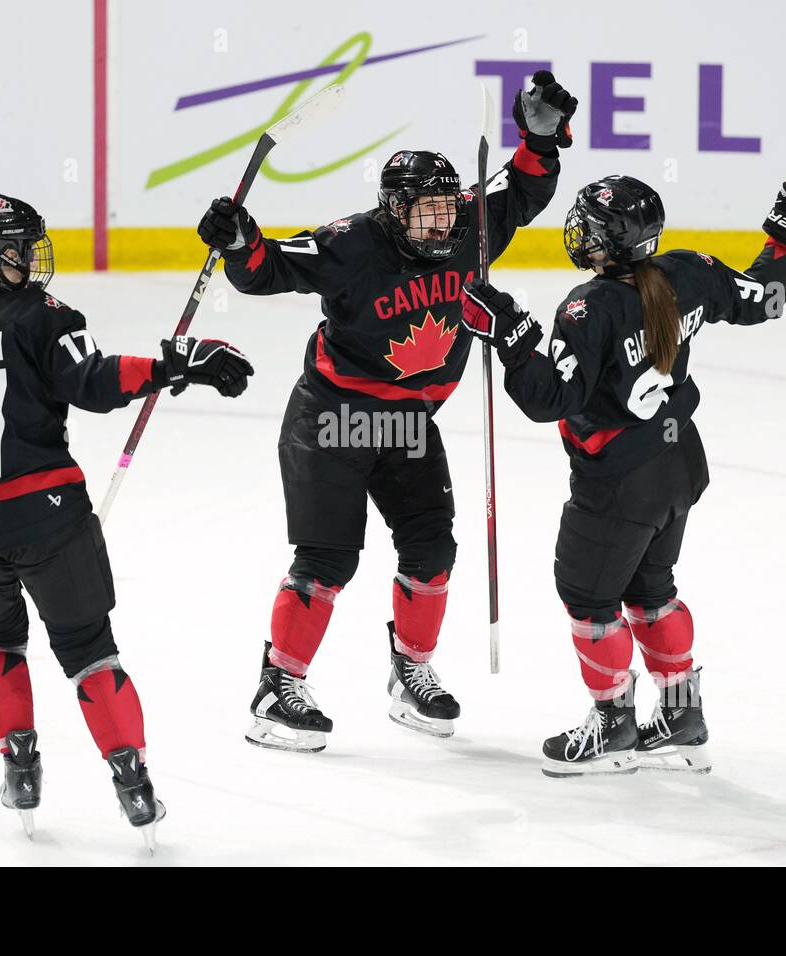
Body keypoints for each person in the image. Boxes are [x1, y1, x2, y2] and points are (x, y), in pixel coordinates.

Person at [0, 193, 253, 845]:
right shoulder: (42, 316)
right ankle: (132, 779)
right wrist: (176, 364)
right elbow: (93, 383)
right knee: (91, 651)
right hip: (47, 521)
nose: (33, 257)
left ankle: (19, 765)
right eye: (19, 246)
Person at [196, 73, 577, 753]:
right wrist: (237, 240)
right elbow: (266, 270)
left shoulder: (468, 227)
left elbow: (522, 190)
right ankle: (277, 686)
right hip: (334, 418)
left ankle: (411, 670)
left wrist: (541, 138)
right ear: (395, 211)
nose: (442, 222)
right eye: (426, 212)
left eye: (447, 210)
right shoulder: (350, 244)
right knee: (326, 561)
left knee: (433, 551)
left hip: (410, 422)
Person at [460, 155, 786, 776]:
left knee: (588, 597)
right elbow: (761, 299)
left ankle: (612, 727)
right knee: (650, 592)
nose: (576, 232)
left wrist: (510, 334)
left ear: (611, 240)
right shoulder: (686, 271)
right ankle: (683, 717)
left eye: (587, 224)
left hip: (616, 485)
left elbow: (548, 399)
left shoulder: (589, 308)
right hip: (677, 468)